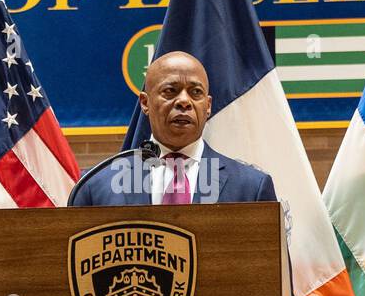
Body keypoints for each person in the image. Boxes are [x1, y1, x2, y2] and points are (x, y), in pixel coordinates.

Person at [67, 51, 277, 206]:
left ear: (208, 106)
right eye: (170, 91)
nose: (184, 101)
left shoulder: (251, 188)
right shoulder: (95, 186)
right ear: (145, 103)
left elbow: (271, 266)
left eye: (195, 92)